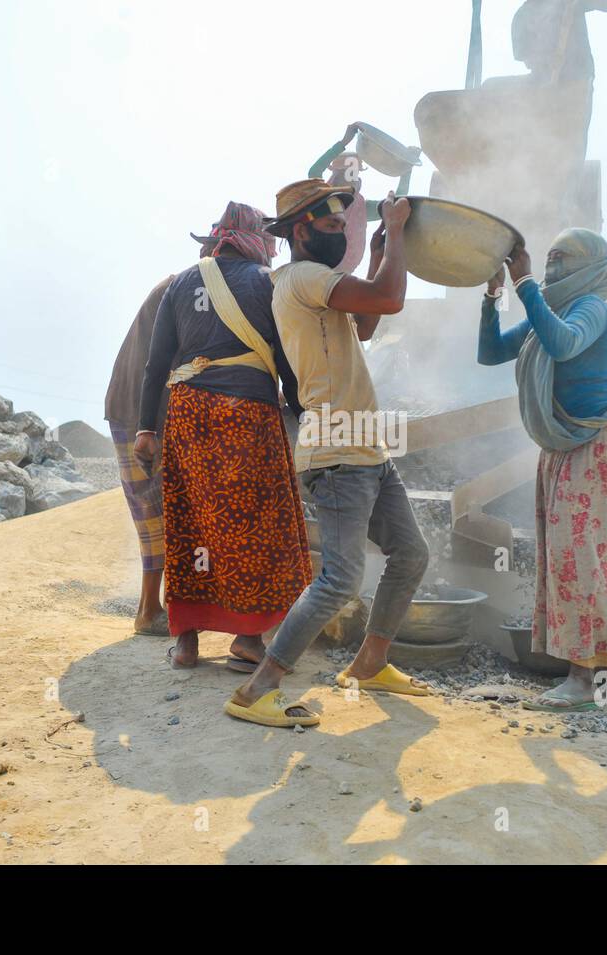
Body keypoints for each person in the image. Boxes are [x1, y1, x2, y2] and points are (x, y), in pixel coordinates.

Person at [224, 179, 430, 728]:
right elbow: (389, 298)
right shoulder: (304, 276)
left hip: (364, 447)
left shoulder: (314, 284)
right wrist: (402, 232)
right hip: (337, 451)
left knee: (410, 555)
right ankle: (258, 688)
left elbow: (367, 322)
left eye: (345, 226)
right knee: (339, 579)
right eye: (333, 226)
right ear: (301, 231)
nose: (342, 235)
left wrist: (384, 252)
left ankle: (370, 662)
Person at [135, 202, 308, 673]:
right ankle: (248, 640)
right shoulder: (266, 283)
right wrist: (305, 416)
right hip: (246, 414)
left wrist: (146, 429)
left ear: (219, 237)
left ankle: (187, 642)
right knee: (252, 525)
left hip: (188, 416)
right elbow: (288, 364)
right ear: (258, 240)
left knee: (191, 523)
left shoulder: (181, 282)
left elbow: (157, 364)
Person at [479, 229, 607, 712]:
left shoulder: (590, 308)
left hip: (590, 441)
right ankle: (598, 669)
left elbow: (564, 346)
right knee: (570, 551)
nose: (550, 265)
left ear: (587, 264)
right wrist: (492, 295)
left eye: (559, 257)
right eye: (547, 258)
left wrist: (524, 282)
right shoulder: (549, 311)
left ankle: (584, 679)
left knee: (579, 553)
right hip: (563, 446)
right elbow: (490, 352)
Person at [104, 225, 223, 637]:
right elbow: (169, 367)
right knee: (156, 515)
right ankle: (149, 611)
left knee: (161, 514)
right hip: (140, 413)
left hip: (141, 411)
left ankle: (157, 608)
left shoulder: (188, 289)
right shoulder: (187, 291)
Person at [307, 123, 415, 273]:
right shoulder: (323, 196)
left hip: (343, 278)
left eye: (353, 174)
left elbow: (395, 205)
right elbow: (314, 171)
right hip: (316, 271)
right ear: (335, 174)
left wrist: (406, 169)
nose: (349, 178)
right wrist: (343, 142)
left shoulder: (361, 207)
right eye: (345, 172)